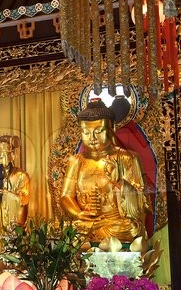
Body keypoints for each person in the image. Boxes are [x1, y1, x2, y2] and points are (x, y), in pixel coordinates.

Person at [60, 99, 149, 247]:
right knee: (70, 229)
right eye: (86, 132)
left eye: (98, 131)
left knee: (132, 229)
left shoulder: (127, 158)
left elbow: (141, 203)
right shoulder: (77, 161)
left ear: (112, 127)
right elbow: (65, 196)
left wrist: (119, 183)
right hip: (87, 224)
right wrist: (79, 213)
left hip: (116, 224)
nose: (92, 138)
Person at [0, 135, 30, 248]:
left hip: (13, 223)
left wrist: (5, 193)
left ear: (12, 155)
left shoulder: (20, 176)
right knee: (1, 250)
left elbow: (23, 201)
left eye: (2, 154)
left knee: (14, 250)